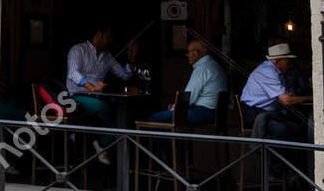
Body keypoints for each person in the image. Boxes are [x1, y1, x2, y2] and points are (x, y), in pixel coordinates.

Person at [65, 24, 139, 164]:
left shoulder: (107, 56)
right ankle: (98, 144)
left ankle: (101, 143)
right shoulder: (78, 50)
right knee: (103, 107)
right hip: (77, 97)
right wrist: (90, 86)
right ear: (98, 35)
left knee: (124, 111)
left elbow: (125, 76)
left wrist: (131, 59)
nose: (110, 41)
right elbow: (72, 73)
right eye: (108, 37)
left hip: (99, 96)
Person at [240, 41, 313, 140]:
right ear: (277, 61)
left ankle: (288, 155)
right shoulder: (267, 72)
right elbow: (286, 100)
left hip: (268, 112)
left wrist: (290, 97)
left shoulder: (277, 71)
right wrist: (310, 98)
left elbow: (287, 95)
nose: (291, 65)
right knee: (282, 130)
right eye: (288, 61)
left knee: (297, 127)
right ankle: (268, 154)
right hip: (253, 113)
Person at [148, 40, 228, 126]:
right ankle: (176, 139)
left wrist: (174, 109)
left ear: (195, 53)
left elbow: (188, 97)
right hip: (215, 113)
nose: (187, 55)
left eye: (188, 52)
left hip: (203, 113)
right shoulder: (214, 65)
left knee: (153, 118)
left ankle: (171, 140)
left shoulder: (202, 68)